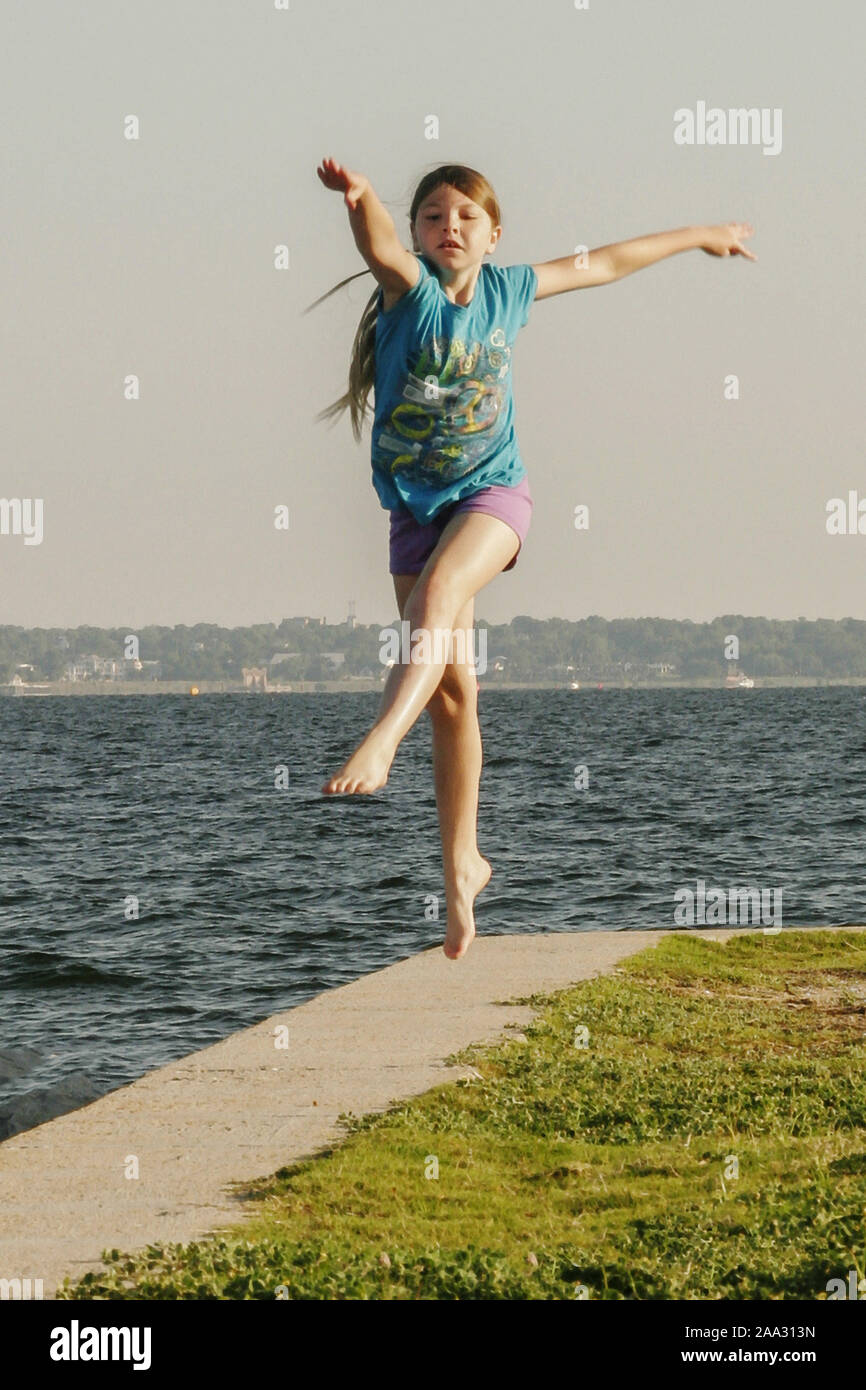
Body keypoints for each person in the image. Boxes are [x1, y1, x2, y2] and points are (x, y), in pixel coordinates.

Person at [310, 156, 756, 958]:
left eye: (466, 219)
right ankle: (462, 867)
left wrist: (703, 236)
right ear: (417, 234)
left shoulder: (511, 291)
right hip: (414, 509)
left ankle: (379, 742)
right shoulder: (406, 291)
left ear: (494, 236)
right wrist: (361, 198)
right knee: (453, 693)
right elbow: (375, 245)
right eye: (433, 218)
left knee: (438, 598)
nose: (450, 229)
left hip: (494, 496)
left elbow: (612, 261)